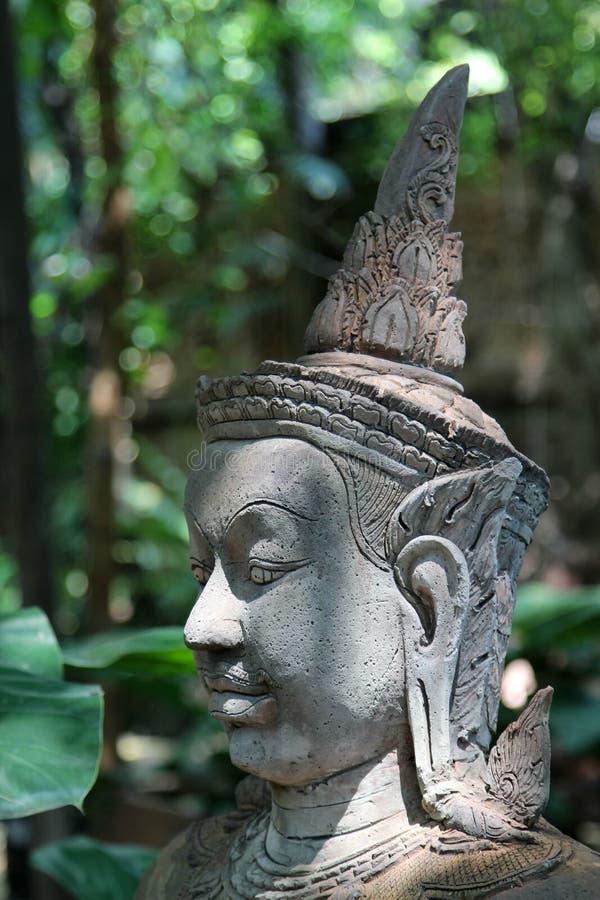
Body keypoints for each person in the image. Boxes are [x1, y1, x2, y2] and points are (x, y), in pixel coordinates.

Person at [136, 66, 599, 898]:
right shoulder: (182, 875)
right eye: (203, 571)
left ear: (428, 604)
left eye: (262, 566)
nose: (203, 626)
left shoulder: (540, 891)